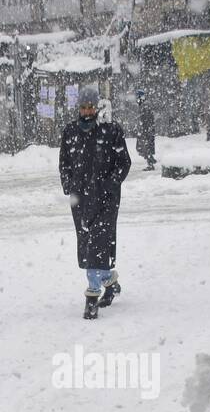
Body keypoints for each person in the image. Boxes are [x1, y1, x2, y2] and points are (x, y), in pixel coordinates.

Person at [59, 85, 132, 320]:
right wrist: (69, 185)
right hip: (80, 199)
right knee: (87, 246)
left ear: (97, 107)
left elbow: (124, 162)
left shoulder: (111, 132)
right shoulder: (70, 132)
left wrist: (111, 184)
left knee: (98, 244)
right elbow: (64, 164)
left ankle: (92, 298)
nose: (87, 112)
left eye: (90, 107)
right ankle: (109, 281)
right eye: (83, 107)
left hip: (106, 199)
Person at [135, 87, 157, 171]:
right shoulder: (143, 105)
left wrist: (145, 129)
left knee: (146, 147)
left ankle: (150, 163)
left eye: (138, 97)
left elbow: (146, 119)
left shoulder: (145, 106)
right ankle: (151, 159)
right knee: (144, 147)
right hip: (146, 130)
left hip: (146, 130)